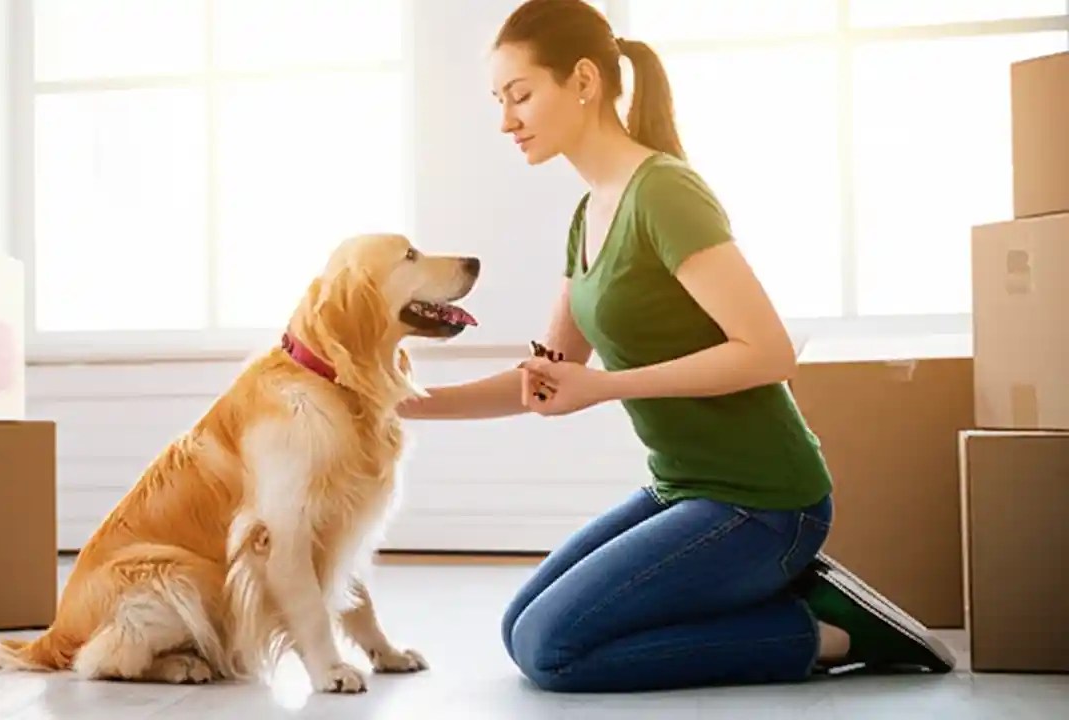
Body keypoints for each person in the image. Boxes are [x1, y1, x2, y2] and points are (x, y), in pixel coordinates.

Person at [397, 0, 955, 693]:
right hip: (683, 490)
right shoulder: (588, 213)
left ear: (582, 81)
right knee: (520, 627)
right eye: (499, 100)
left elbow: (767, 351)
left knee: (552, 652)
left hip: (767, 503)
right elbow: (545, 377)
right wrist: (397, 403)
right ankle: (750, 598)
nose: (505, 119)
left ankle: (828, 632)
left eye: (519, 95)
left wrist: (607, 387)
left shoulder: (664, 192)